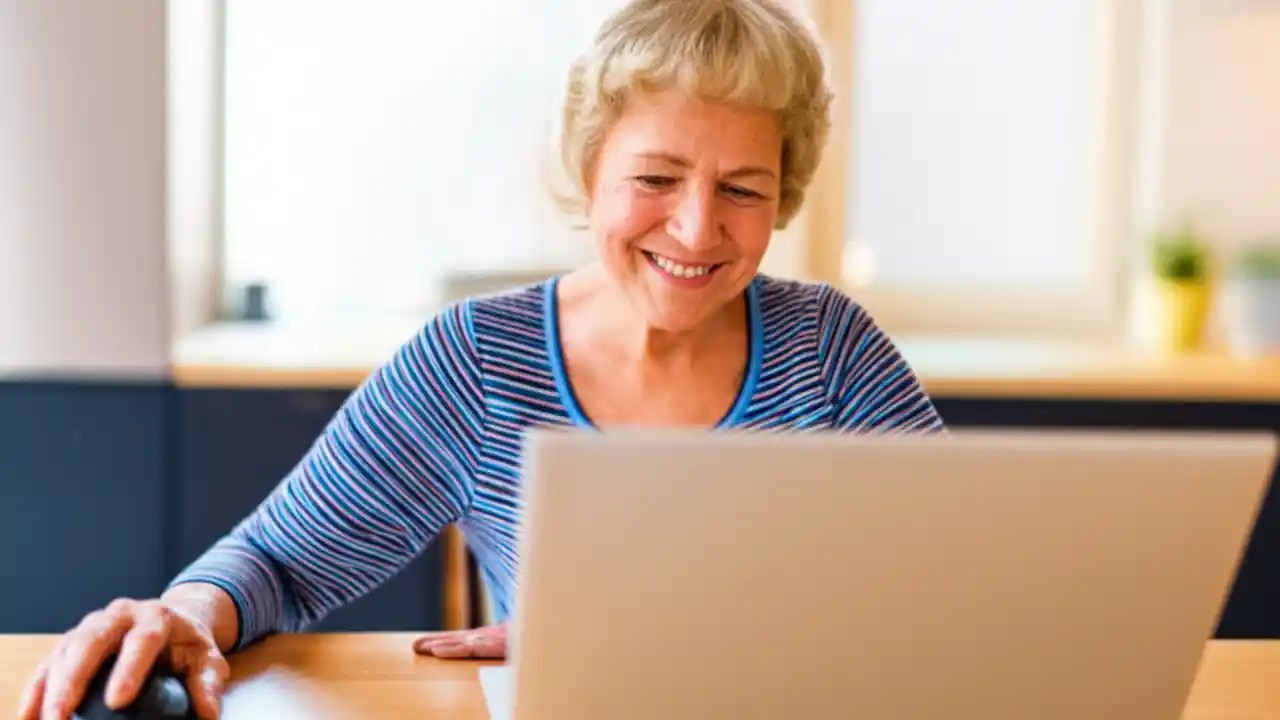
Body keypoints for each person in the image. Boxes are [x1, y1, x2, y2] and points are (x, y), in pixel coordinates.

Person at [18, 1, 944, 718]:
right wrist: (181, 613)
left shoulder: (830, 350)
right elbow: (276, 562)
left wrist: (648, 643)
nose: (697, 228)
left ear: (781, 197)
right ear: (589, 172)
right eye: (656, 179)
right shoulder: (479, 362)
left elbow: (956, 587)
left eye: (742, 188)